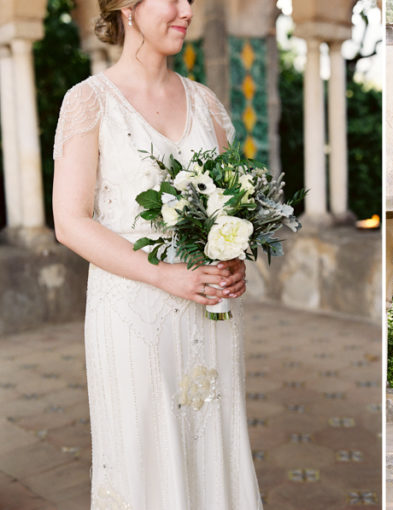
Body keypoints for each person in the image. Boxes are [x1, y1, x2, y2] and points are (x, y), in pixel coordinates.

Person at [52, 1, 262, 507]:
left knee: (213, 439)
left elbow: (226, 205)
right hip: (131, 312)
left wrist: (233, 257)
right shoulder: (89, 101)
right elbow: (70, 222)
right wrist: (165, 275)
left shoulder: (207, 103)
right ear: (127, 8)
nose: (186, 9)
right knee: (145, 449)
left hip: (208, 312)